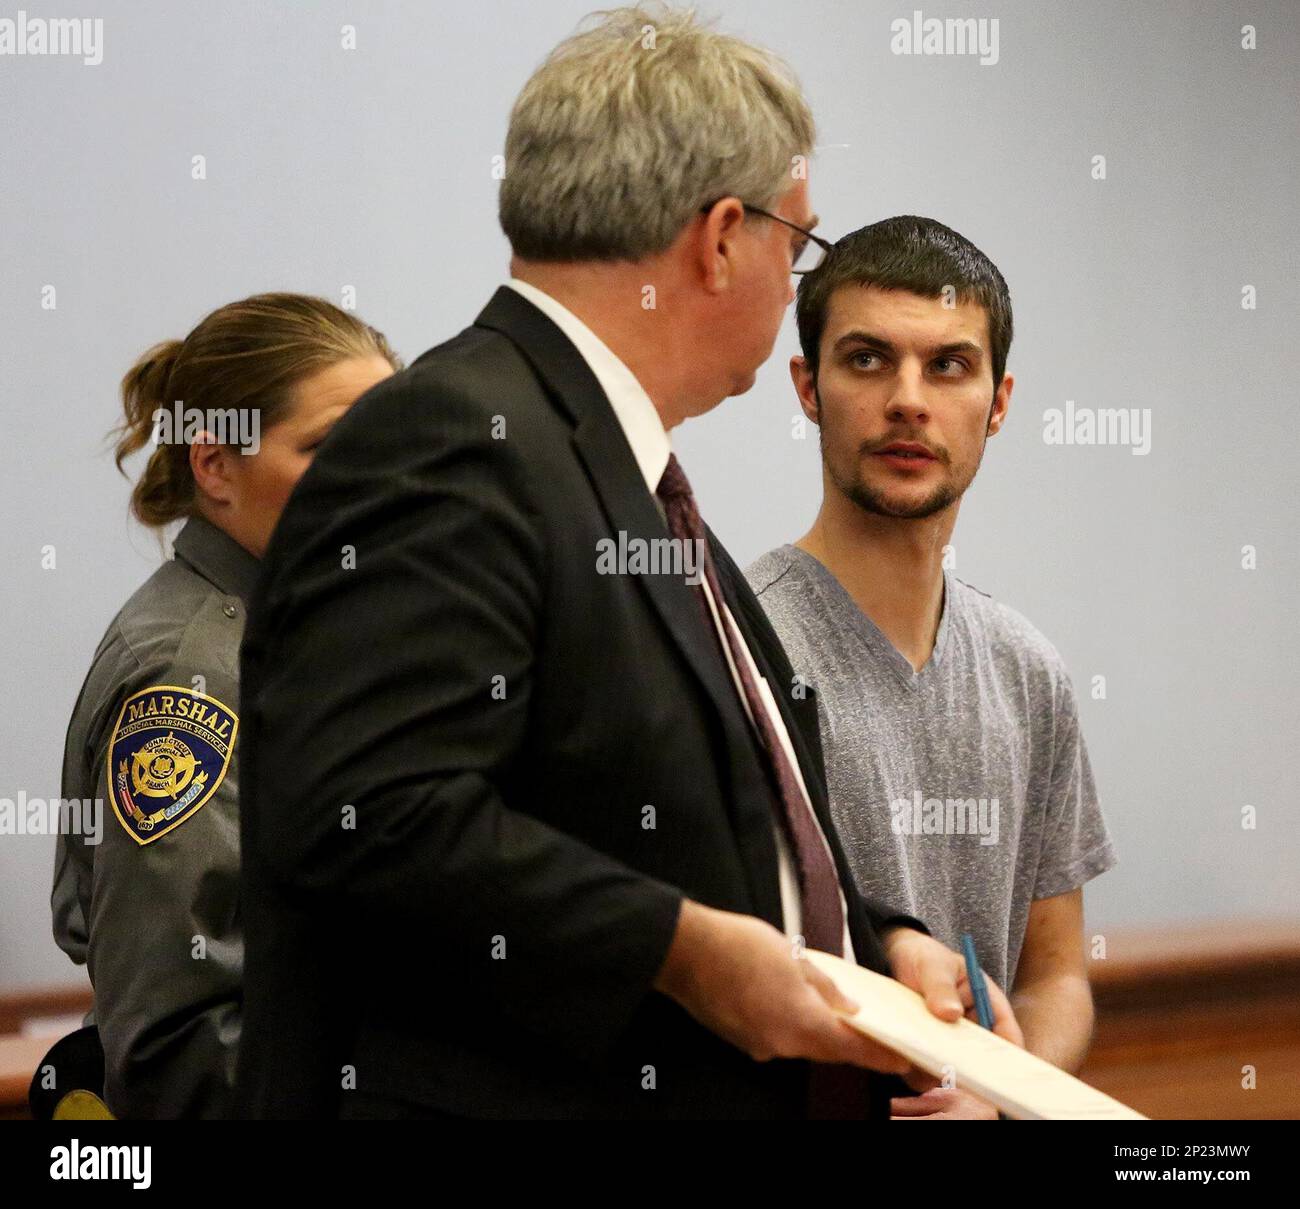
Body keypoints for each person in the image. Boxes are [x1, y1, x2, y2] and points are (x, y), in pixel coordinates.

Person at [237, 7, 1022, 1121]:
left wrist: (876, 939)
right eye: (796, 244)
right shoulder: (460, 438)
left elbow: (664, 805)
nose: (786, 276)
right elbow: (368, 813)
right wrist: (685, 950)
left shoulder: (601, 459)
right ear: (719, 239)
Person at [746, 216, 1117, 1119]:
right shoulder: (738, 639)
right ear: (807, 386)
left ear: (998, 401)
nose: (908, 399)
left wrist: (998, 1092)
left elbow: (1059, 976)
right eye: (868, 359)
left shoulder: (1029, 670)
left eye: (947, 365)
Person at [52, 293, 399, 1118]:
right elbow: (182, 1052)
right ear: (216, 465)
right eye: (327, 448)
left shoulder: (309, 632)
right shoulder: (188, 676)